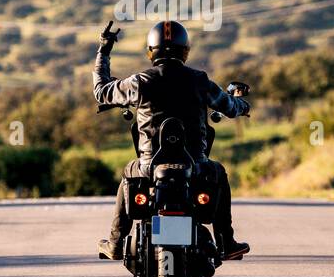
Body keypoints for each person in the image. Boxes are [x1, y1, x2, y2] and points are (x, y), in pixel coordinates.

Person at [93, 18, 251, 262]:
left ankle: (116, 242)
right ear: (185, 50)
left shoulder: (140, 82)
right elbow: (230, 106)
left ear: (151, 51)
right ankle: (226, 242)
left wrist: (104, 50)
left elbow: (101, 91)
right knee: (218, 173)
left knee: (128, 174)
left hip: (149, 165)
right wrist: (241, 104)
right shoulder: (200, 80)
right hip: (195, 165)